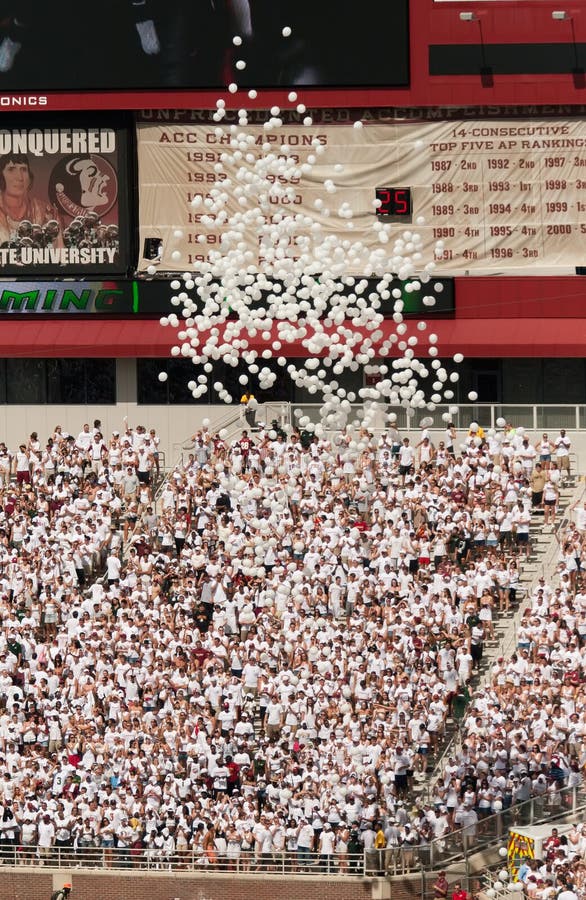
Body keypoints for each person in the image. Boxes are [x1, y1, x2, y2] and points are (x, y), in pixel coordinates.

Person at [0, 153, 62, 247]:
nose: (19, 177)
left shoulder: (47, 213)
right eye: (11, 169)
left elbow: (60, 253)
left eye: (24, 170)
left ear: (30, 177)